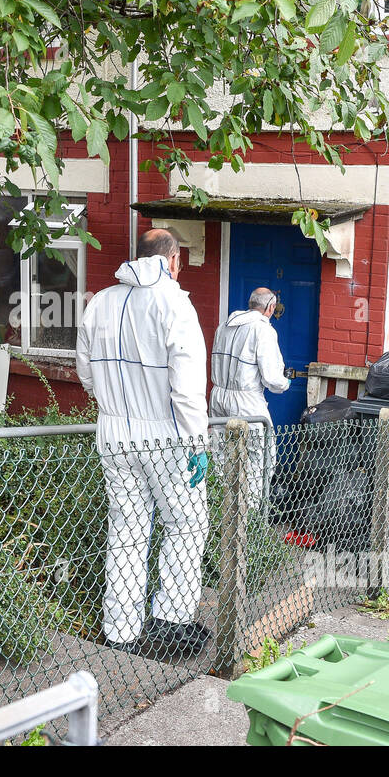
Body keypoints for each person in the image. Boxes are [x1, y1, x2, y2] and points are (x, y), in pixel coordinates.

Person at [75, 229, 213, 656]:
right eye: (180, 261)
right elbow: (188, 389)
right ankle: (171, 621)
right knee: (186, 524)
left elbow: (85, 374)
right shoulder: (175, 304)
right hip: (167, 435)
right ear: (171, 259)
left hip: (113, 432)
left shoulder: (100, 302)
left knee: (128, 527)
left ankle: (121, 628)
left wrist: (118, 406)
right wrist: (199, 444)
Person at [209, 287, 291, 518]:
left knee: (220, 452)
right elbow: (272, 379)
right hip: (246, 400)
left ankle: (220, 508)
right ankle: (251, 514)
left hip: (218, 396)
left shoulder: (223, 326)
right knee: (262, 456)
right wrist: (285, 382)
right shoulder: (262, 330)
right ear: (270, 307)